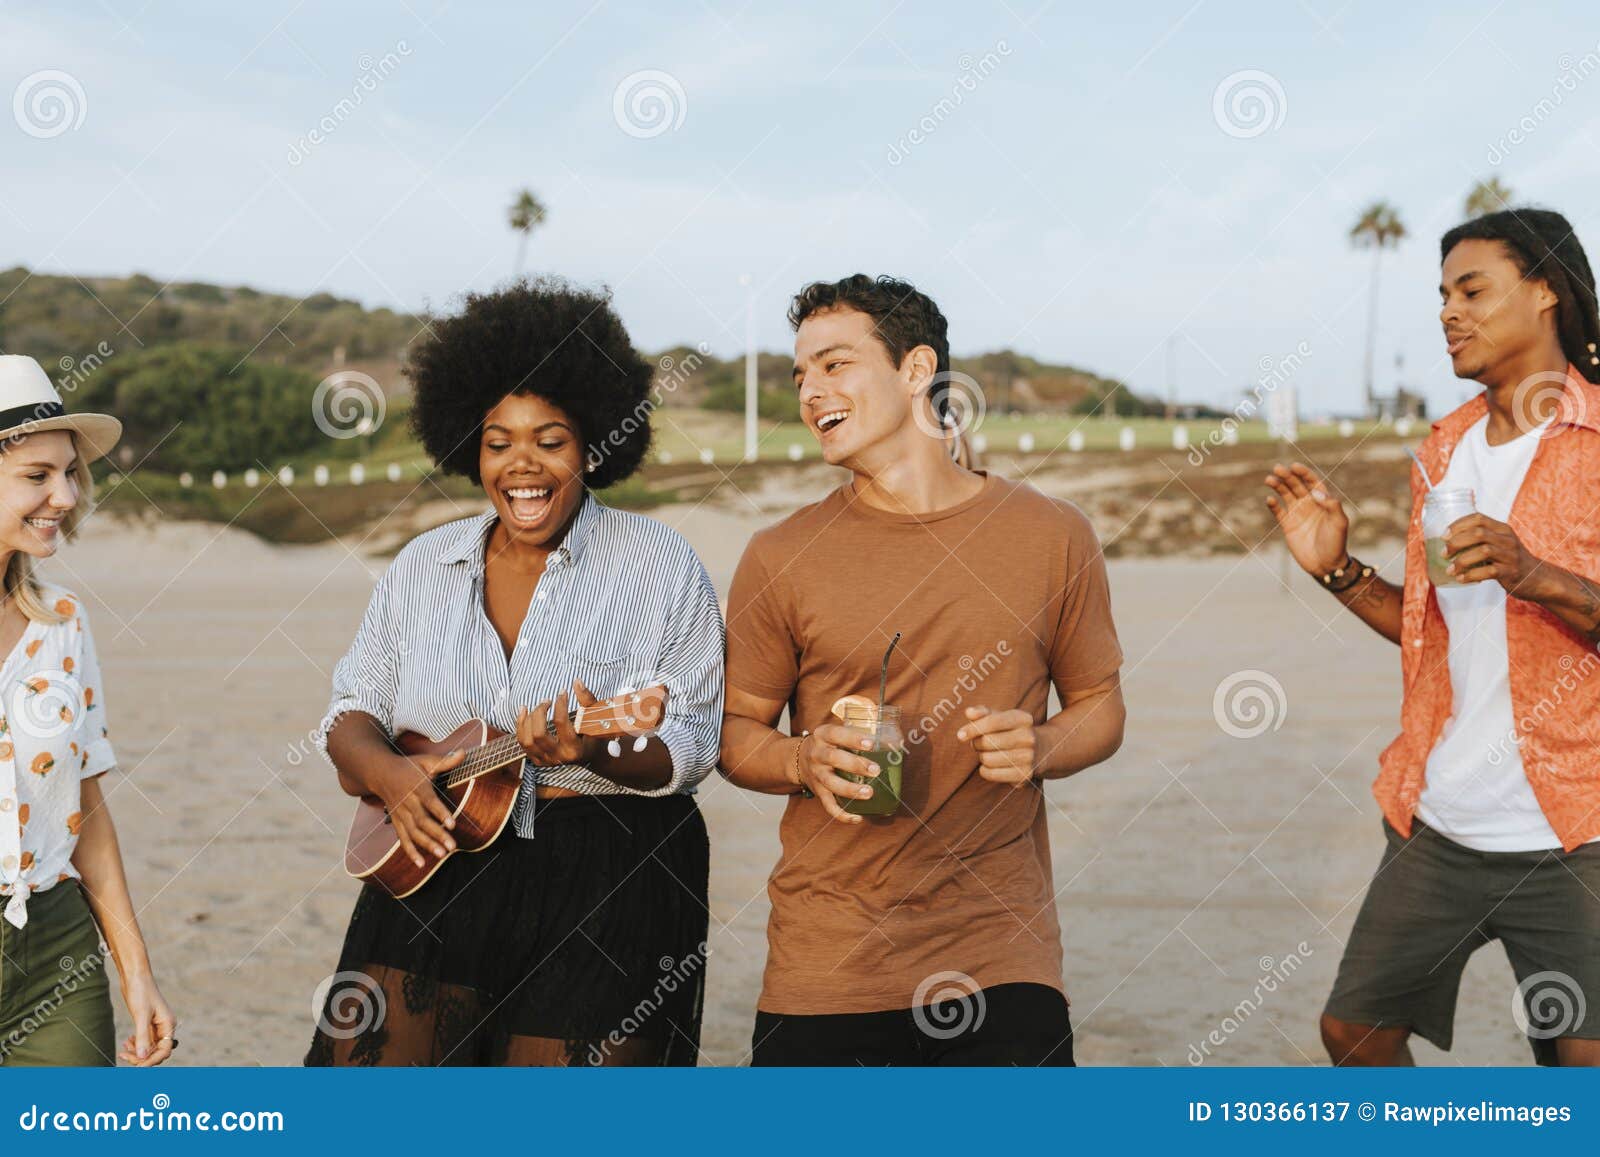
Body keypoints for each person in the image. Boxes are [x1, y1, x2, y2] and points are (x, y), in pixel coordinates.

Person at [305, 280, 724, 1066]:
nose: (521, 465)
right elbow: (352, 711)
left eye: (550, 440)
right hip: (434, 862)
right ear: (470, 446)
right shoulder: (423, 564)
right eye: (498, 442)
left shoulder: (662, 564)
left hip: (610, 880)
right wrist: (392, 775)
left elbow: (692, 742)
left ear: (593, 444)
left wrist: (597, 748)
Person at [720, 274, 1125, 1066]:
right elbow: (733, 733)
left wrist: (1043, 745)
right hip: (826, 961)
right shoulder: (778, 555)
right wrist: (804, 759)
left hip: (999, 956)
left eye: (834, 364)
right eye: (799, 374)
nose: (809, 391)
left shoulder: (1053, 533)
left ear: (915, 369)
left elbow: (1101, 704)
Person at [1265, 207, 1600, 1066]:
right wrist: (1337, 570)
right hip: (1441, 816)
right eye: (1443, 294)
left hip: (1579, 826)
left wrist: (1538, 575)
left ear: (1546, 291)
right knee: (1355, 1032)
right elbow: (1428, 626)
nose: (1450, 311)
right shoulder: (1443, 450)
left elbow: (1542, 591)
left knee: (1581, 1070)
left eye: (1472, 290)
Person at [0, 355, 176, 1067]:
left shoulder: (63, 621)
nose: (66, 495)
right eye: (38, 475)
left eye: (70, 472)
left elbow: (87, 809)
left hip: (56, 953)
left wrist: (136, 970)